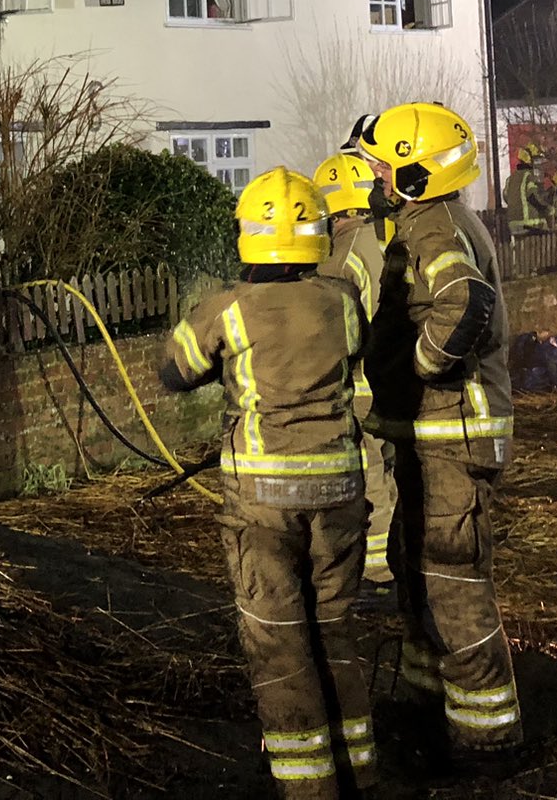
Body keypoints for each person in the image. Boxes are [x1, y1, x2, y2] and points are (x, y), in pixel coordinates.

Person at [160, 167, 376, 797]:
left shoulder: (228, 308)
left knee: (279, 638)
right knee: (335, 626)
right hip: (339, 490)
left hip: (264, 500)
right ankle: (360, 769)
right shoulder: (342, 299)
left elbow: (175, 371)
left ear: (248, 235)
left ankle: (307, 785)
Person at [350, 102, 524, 760]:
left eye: (381, 167)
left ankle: (488, 739)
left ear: (417, 174)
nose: (373, 176)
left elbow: (465, 301)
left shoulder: (434, 226)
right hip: (431, 436)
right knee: (414, 566)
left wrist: (421, 368)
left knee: (451, 580)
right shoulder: (425, 221)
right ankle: (429, 704)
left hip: (455, 433)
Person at [313, 150, 398, 588]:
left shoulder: (340, 258)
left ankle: (378, 570)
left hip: (359, 388)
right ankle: (396, 558)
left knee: (367, 475)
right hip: (389, 382)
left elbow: (329, 334)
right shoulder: (381, 240)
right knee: (387, 469)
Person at [507, 145, 550, 236]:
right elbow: (532, 197)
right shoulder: (529, 176)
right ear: (530, 161)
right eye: (536, 161)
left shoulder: (511, 178)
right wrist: (544, 208)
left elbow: (506, 196)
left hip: (512, 223)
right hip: (528, 223)